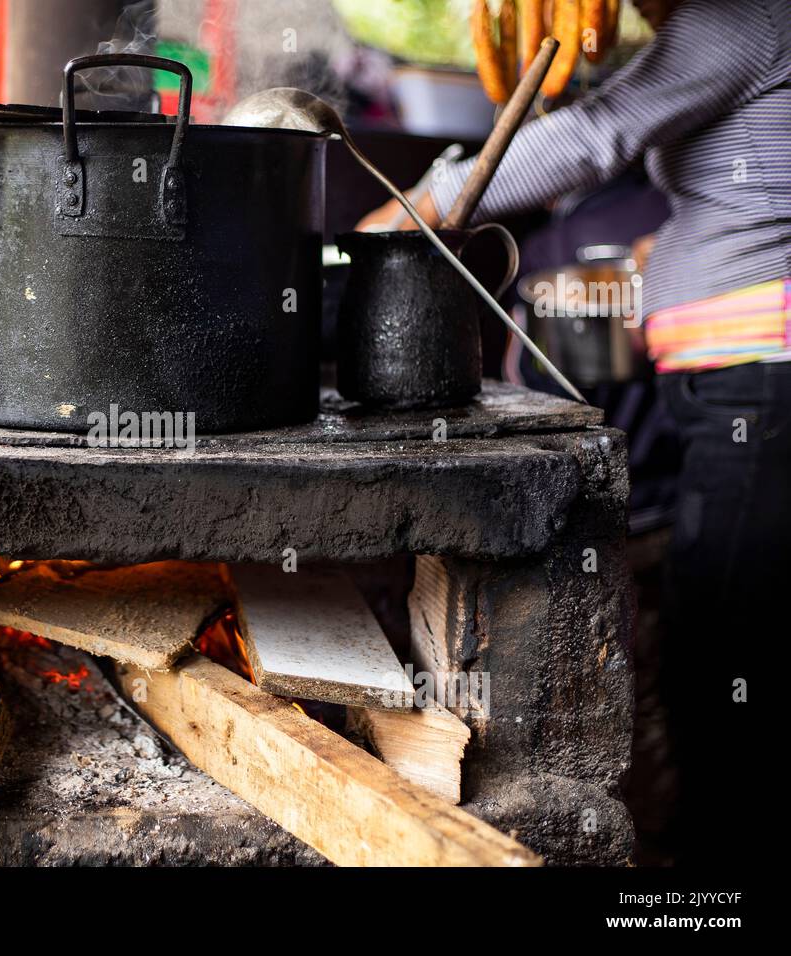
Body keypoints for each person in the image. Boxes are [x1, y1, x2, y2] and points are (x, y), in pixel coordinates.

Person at [362, 0, 788, 863]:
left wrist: (429, 201)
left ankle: (718, 873)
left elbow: (598, 132)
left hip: (760, 387)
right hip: (741, 382)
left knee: (725, 642)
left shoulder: (745, 18)